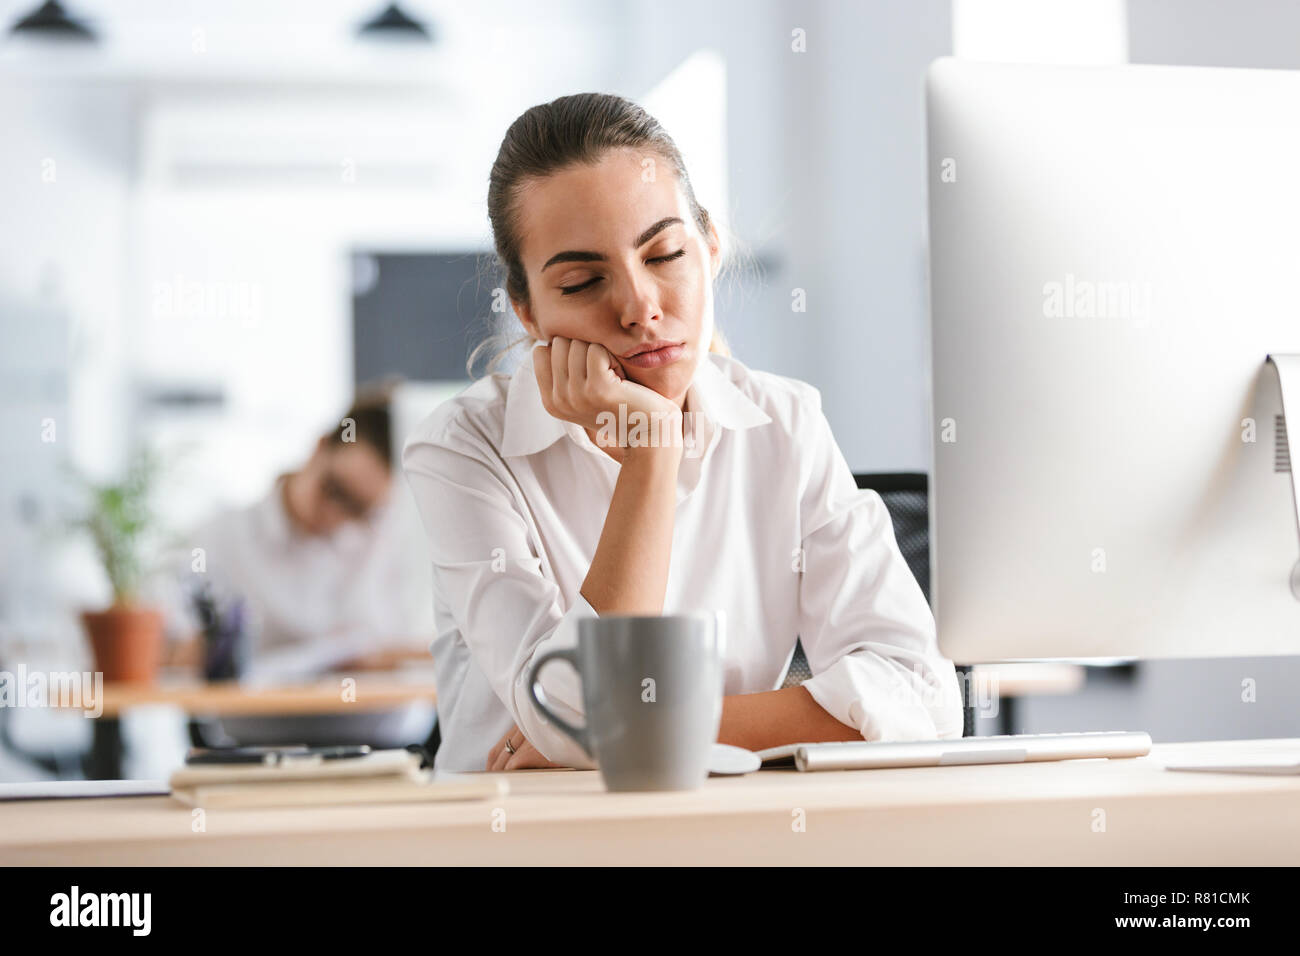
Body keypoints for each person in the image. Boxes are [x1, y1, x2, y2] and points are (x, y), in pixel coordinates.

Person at [401, 93, 963, 773]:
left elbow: (925, 695)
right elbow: (577, 713)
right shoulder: (463, 451)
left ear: (711, 249)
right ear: (527, 311)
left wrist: (658, 727)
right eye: (581, 282)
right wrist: (652, 454)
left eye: (664, 254)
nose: (640, 308)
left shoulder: (785, 425)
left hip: (726, 830)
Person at [161, 389, 432, 682]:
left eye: (358, 511)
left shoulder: (380, 547)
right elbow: (165, 634)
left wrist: (382, 658)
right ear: (320, 447)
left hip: (367, 722)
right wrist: (195, 649)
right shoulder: (223, 535)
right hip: (250, 724)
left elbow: (427, 645)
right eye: (334, 489)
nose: (334, 515)